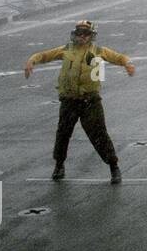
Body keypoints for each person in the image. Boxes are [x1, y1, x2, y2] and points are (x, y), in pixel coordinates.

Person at [23, 20, 135, 184]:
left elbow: (118, 57)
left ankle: (114, 167)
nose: (81, 36)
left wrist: (127, 64)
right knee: (63, 133)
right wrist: (32, 60)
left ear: (91, 36)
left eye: (85, 33)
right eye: (79, 33)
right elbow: (44, 55)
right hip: (69, 100)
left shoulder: (98, 51)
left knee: (99, 135)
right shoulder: (67, 49)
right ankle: (59, 165)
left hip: (91, 100)